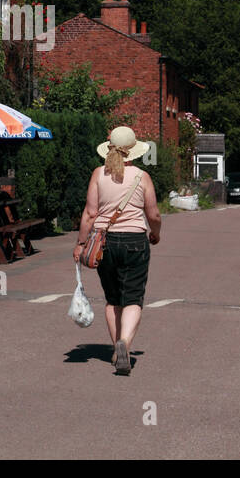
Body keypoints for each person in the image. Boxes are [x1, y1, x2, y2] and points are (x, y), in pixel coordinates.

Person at [73, 126, 162, 377]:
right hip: (135, 241)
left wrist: (80, 244)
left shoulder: (98, 174)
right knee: (133, 298)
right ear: (133, 151)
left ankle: (115, 349)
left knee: (113, 299)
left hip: (104, 242)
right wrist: (156, 232)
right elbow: (153, 213)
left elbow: (90, 213)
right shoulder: (142, 176)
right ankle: (125, 343)